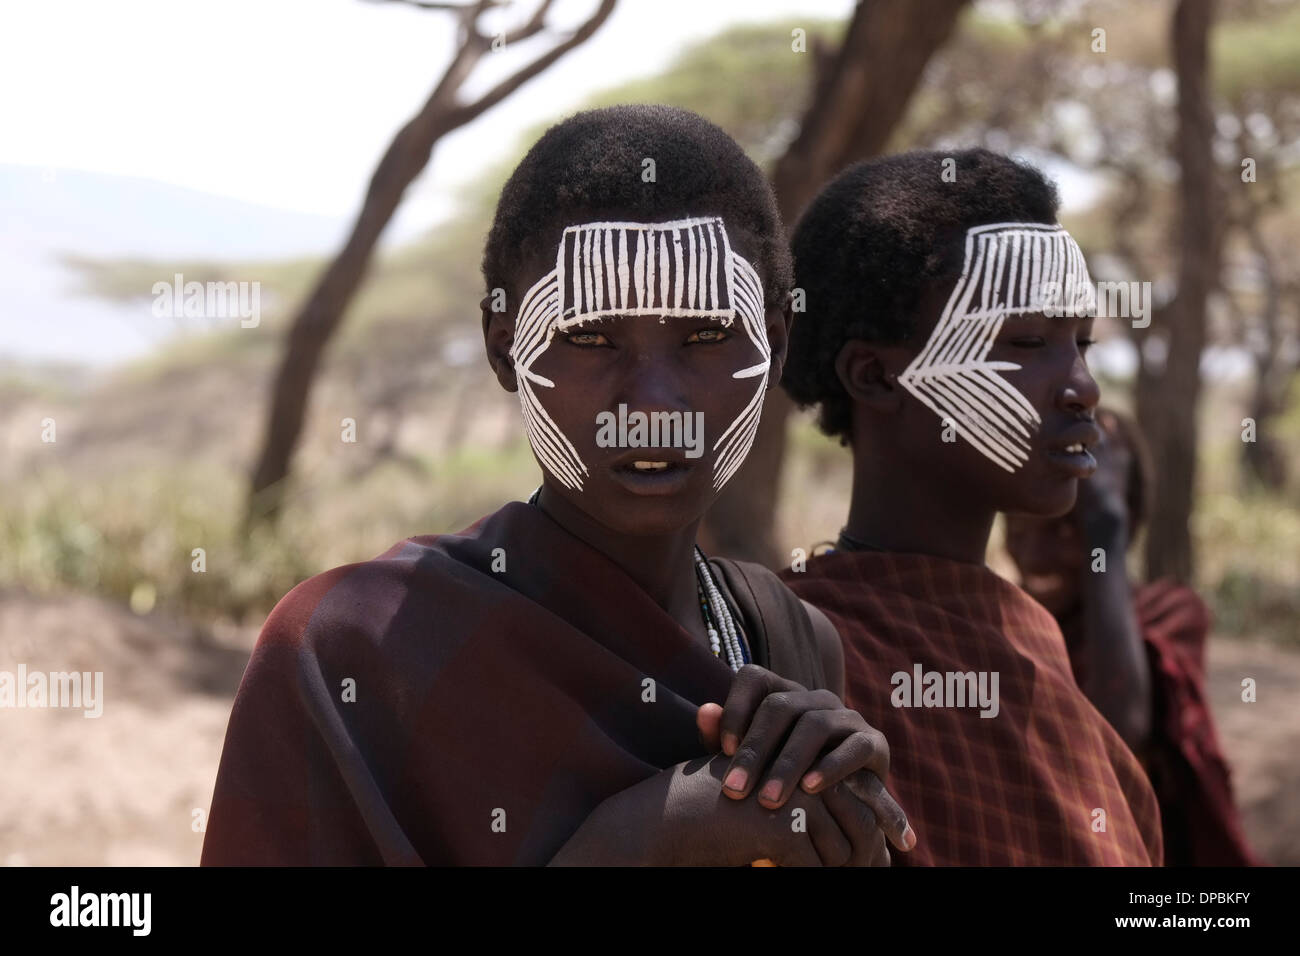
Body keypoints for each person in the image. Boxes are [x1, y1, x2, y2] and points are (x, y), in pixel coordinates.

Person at [201, 105, 912, 866]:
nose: (652, 404)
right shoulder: (351, 643)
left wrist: (855, 826)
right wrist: (642, 838)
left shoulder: (791, 640)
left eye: (705, 337)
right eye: (591, 339)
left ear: (772, 344)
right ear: (505, 349)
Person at [777, 148, 1163, 865]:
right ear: (874, 375)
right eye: (1026, 342)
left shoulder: (1030, 637)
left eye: (1080, 343)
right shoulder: (795, 652)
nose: (1081, 385)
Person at [1005, 407, 1260, 866]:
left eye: (1068, 528)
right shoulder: (1001, 624)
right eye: (1021, 524)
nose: (1035, 553)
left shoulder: (1167, 612)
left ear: (1126, 526)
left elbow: (1121, 726)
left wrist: (1104, 523)